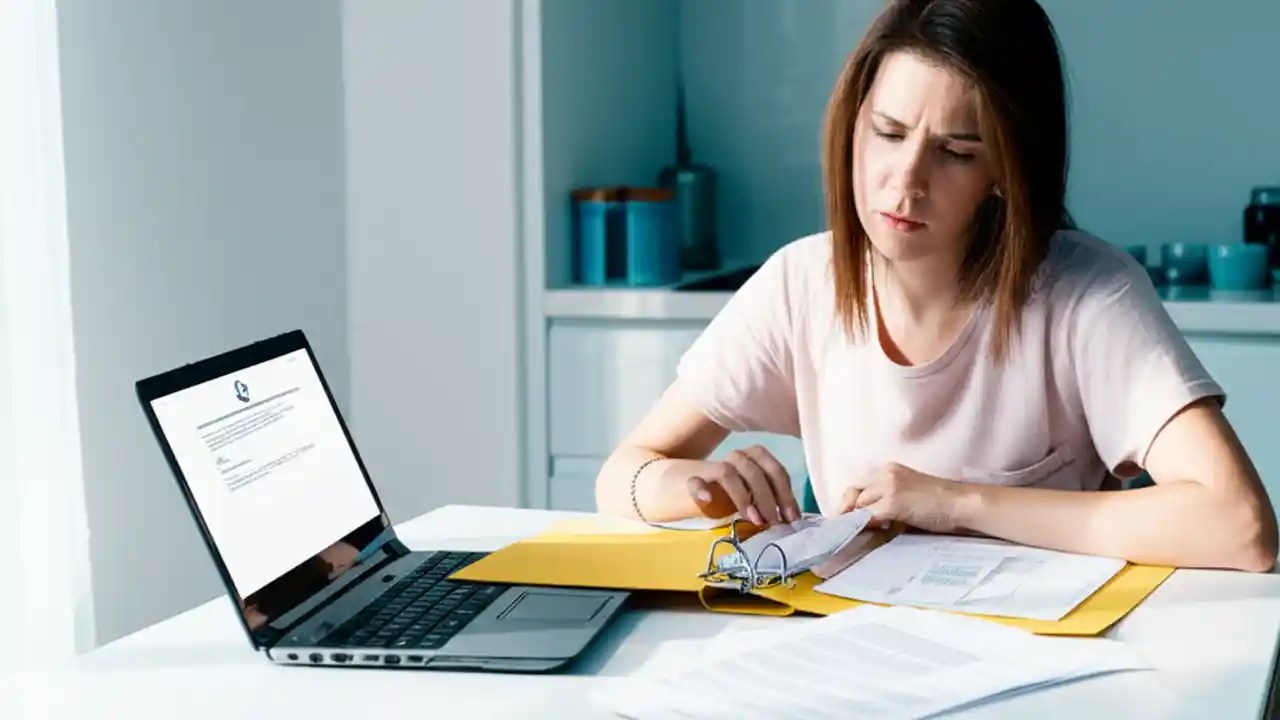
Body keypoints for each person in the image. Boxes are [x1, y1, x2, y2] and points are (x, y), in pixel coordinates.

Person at [594, 0, 1278, 572]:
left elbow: (1242, 528)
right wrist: (694, 484)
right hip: (863, 660)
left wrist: (954, 501)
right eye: (887, 133)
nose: (905, 181)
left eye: (955, 152)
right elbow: (620, 476)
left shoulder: (1089, 295)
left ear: (1007, 171)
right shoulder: (801, 284)